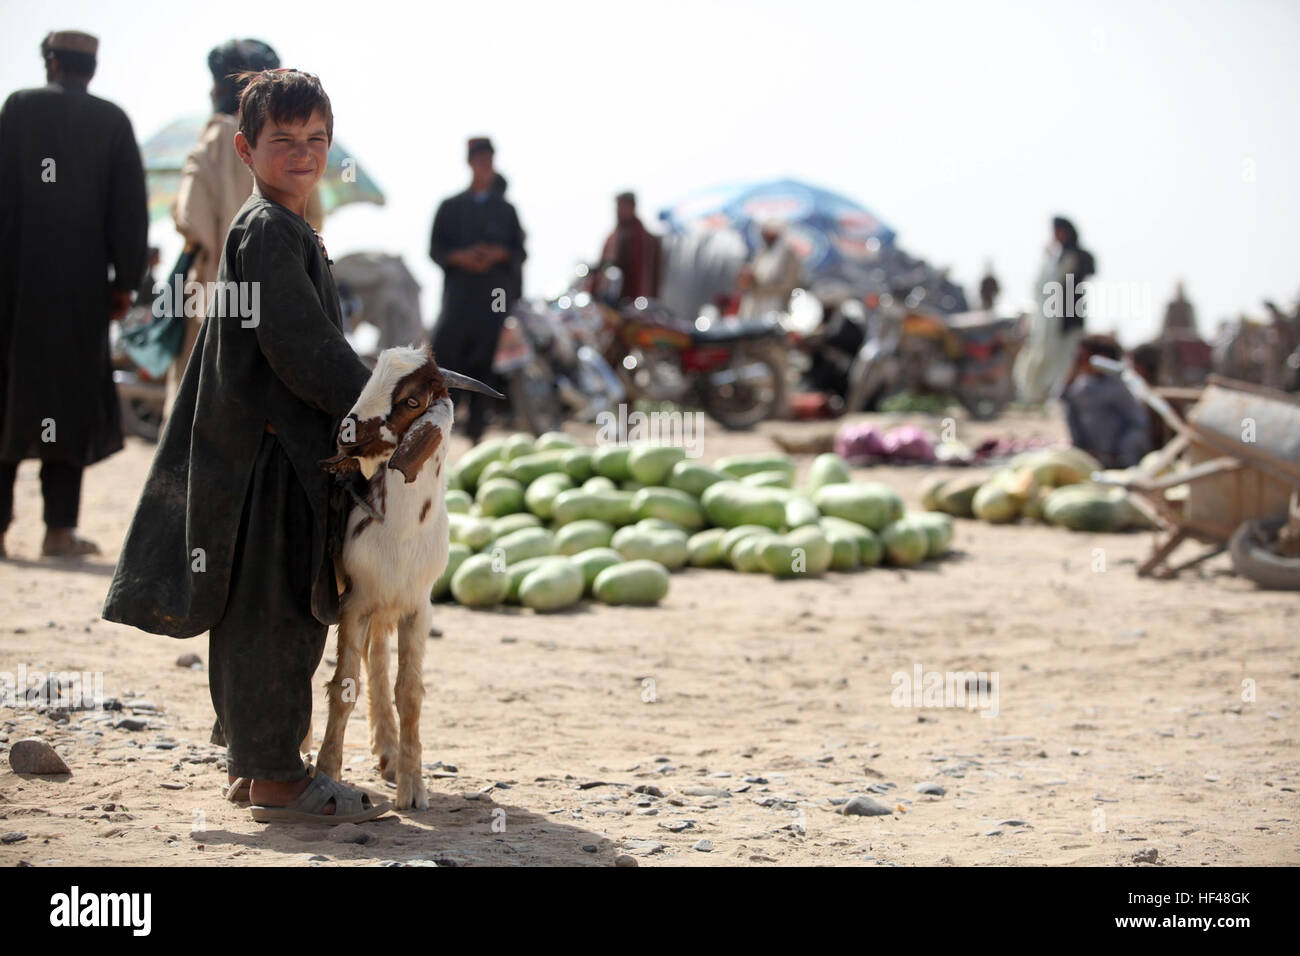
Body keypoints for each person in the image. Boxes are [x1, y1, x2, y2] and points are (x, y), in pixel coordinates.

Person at [103, 69, 386, 821]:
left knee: (256, 611)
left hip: (265, 455)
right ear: (244, 148)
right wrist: (381, 406)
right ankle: (274, 777)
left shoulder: (287, 228)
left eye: (316, 140)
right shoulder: (267, 230)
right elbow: (300, 346)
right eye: (283, 141)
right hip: (273, 462)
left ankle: (252, 760)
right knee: (278, 614)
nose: (303, 153)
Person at [0, 30, 148, 559]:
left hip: (13, 286)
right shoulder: (111, 121)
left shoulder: (18, 108)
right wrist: (125, 282)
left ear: (51, 62)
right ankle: (58, 530)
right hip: (81, 292)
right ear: (92, 67)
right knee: (65, 399)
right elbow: (130, 210)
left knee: (9, 394)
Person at [165, 39, 324, 421]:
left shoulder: (217, 137)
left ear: (222, 88)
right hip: (282, 300)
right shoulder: (296, 146)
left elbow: (191, 219)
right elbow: (313, 221)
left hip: (215, 301)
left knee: (202, 418)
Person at [429, 137, 525, 444]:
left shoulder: (506, 211)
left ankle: (476, 435)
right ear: (470, 162)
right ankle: (441, 431)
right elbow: (436, 250)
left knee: (485, 364)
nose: (484, 165)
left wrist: (497, 254)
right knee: (448, 362)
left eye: (489, 159)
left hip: (493, 300)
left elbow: (519, 252)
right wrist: (463, 257)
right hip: (459, 299)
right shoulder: (450, 207)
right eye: (479, 159)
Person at [1013, 215, 1096, 404]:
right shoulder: (1053, 259)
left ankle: (1057, 395)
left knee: (1066, 357)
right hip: (1048, 319)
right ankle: (1037, 395)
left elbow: (1085, 272)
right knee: (1042, 356)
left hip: (1069, 317)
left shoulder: (1078, 255)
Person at [1061, 335, 1151, 469]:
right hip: (1091, 456)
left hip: (1120, 458)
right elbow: (1065, 404)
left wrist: (1123, 455)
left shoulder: (1118, 385)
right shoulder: (1080, 385)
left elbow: (1138, 424)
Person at [593, 191, 660, 303]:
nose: (618, 211)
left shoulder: (647, 241)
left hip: (636, 303)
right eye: (618, 207)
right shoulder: (612, 239)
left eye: (622, 206)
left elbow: (650, 278)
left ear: (632, 207)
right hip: (612, 301)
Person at [737, 218, 802, 318]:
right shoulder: (761, 253)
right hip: (755, 309)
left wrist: (761, 288)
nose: (765, 236)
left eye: (768, 234)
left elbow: (788, 285)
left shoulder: (788, 255)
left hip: (777, 309)